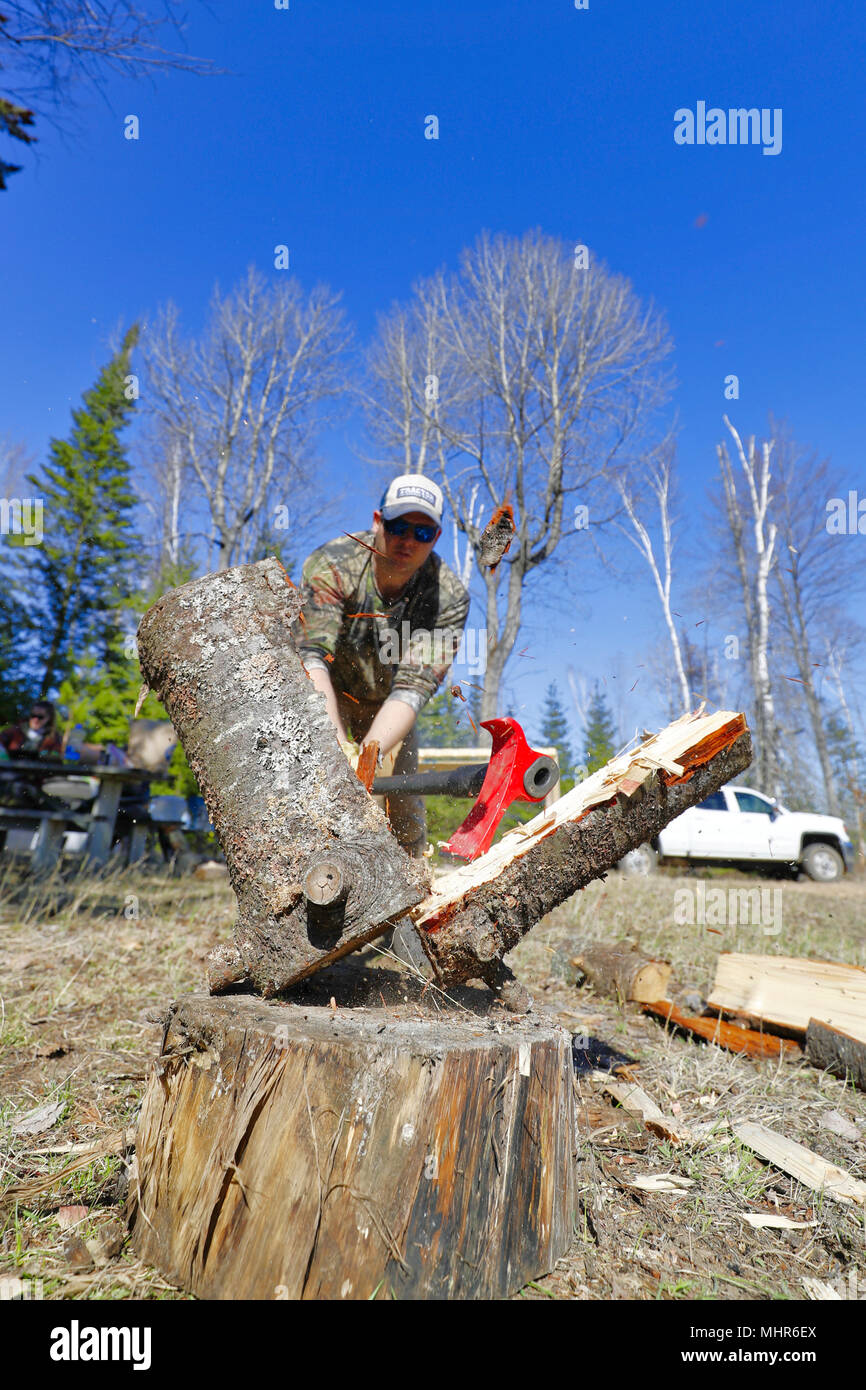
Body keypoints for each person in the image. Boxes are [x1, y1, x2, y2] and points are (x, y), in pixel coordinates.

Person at [294, 474, 470, 857]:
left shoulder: (449, 595)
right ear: (378, 521)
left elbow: (413, 686)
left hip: (391, 706)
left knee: (402, 809)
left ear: (436, 537)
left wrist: (367, 757)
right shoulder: (333, 564)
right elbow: (312, 657)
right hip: (325, 695)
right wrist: (335, 746)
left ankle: (415, 900)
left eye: (422, 533)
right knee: (314, 804)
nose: (408, 541)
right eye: (398, 527)